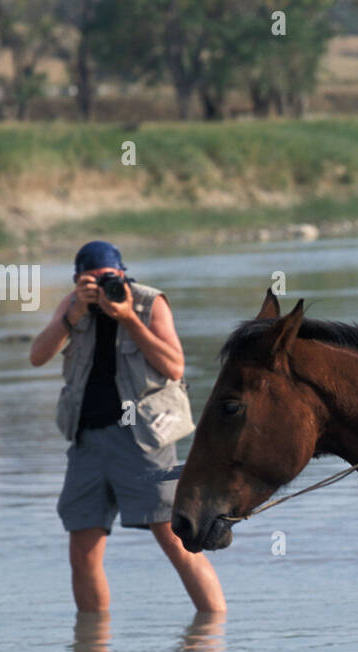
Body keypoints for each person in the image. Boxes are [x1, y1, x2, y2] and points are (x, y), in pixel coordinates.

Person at [29, 240, 226, 614]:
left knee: (178, 541)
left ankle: (213, 638)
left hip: (143, 441)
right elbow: (38, 356)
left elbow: (175, 366)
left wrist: (128, 318)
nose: (104, 286)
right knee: (82, 554)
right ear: (78, 280)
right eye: (93, 280)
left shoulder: (149, 303)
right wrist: (71, 314)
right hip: (87, 440)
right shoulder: (73, 306)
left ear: (123, 274)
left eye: (110, 278)